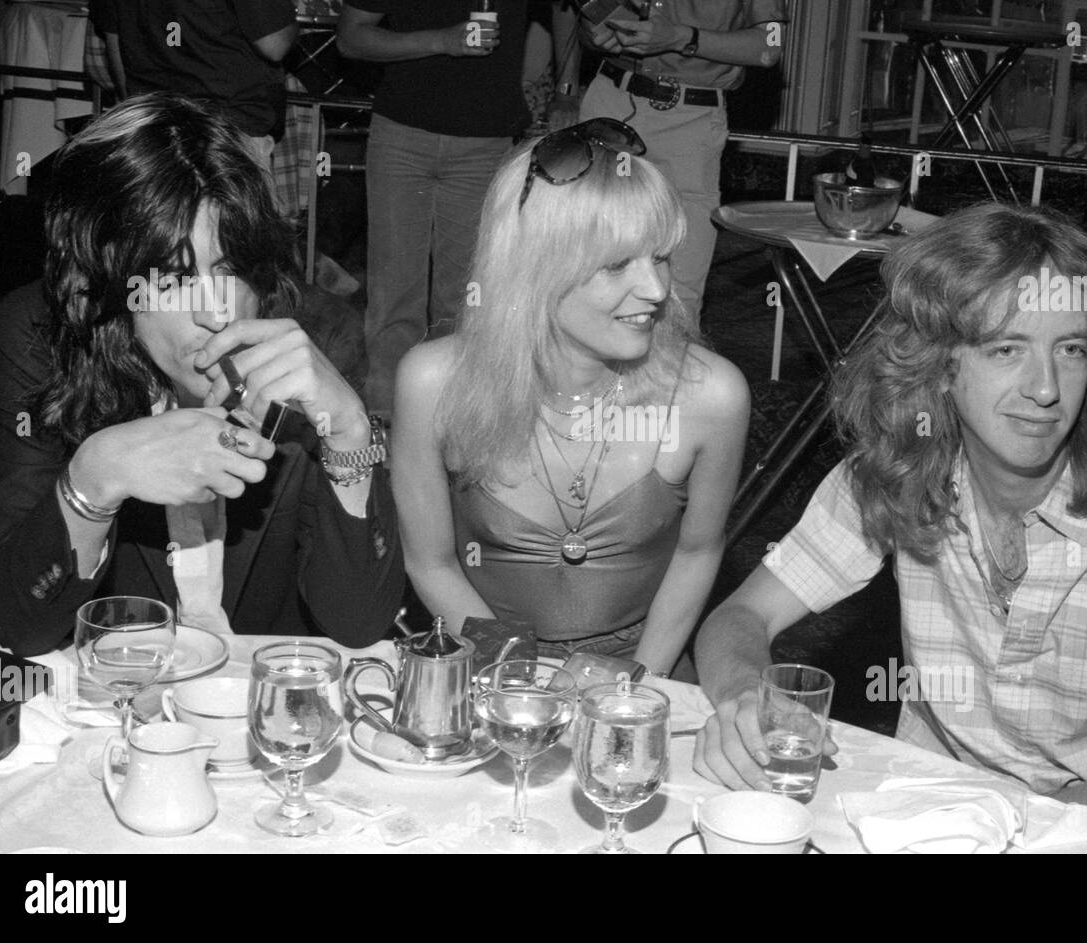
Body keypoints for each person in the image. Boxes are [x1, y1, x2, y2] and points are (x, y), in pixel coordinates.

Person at [692, 203, 1087, 852]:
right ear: (939, 365)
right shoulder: (899, 471)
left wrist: (1035, 823)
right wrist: (743, 696)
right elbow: (738, 619)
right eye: (1007, 348)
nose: (1046, 388)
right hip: (933, 809)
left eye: (1069, 349)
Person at [0, 94, 404, 656]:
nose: (216, 311)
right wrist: (95, 477)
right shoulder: (44, 339)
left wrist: (349, 429)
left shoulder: (306, 348)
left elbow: (360, 624)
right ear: (105, 279)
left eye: (229, 269)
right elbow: (13, 624)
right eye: (174, 279)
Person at [391, 120, 750, 676]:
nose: (656, 290)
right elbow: (431, 562)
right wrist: (524, 676)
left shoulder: (709, 396)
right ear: (533, 269)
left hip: (646, 675)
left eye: (660, 257)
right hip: (486, 668)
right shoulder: (434, 383)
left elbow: (697, 553)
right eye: (616, 265)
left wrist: (632, 687)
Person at [337, 0, 580, 418]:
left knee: (466, 298)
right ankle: (386, 423)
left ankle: (450, 421)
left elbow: (566, 9)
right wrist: (442, 40)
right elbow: (352, 37)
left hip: (485, 142)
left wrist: (567, 91)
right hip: (401, 136)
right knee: (394, 294)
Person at [574, 0, 788, 319]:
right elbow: (590, 17)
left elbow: (770, 45)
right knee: (585, 266)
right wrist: (594, 32)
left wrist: (679, 38)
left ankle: (666, 366)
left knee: (676, 292)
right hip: (608, 101)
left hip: (689, 120)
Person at [90, 0, 298, 172]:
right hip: (225, 127)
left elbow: (115, 42)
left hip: (153, 122)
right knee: (232, 218)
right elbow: (274, 44)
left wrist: (133, 103)